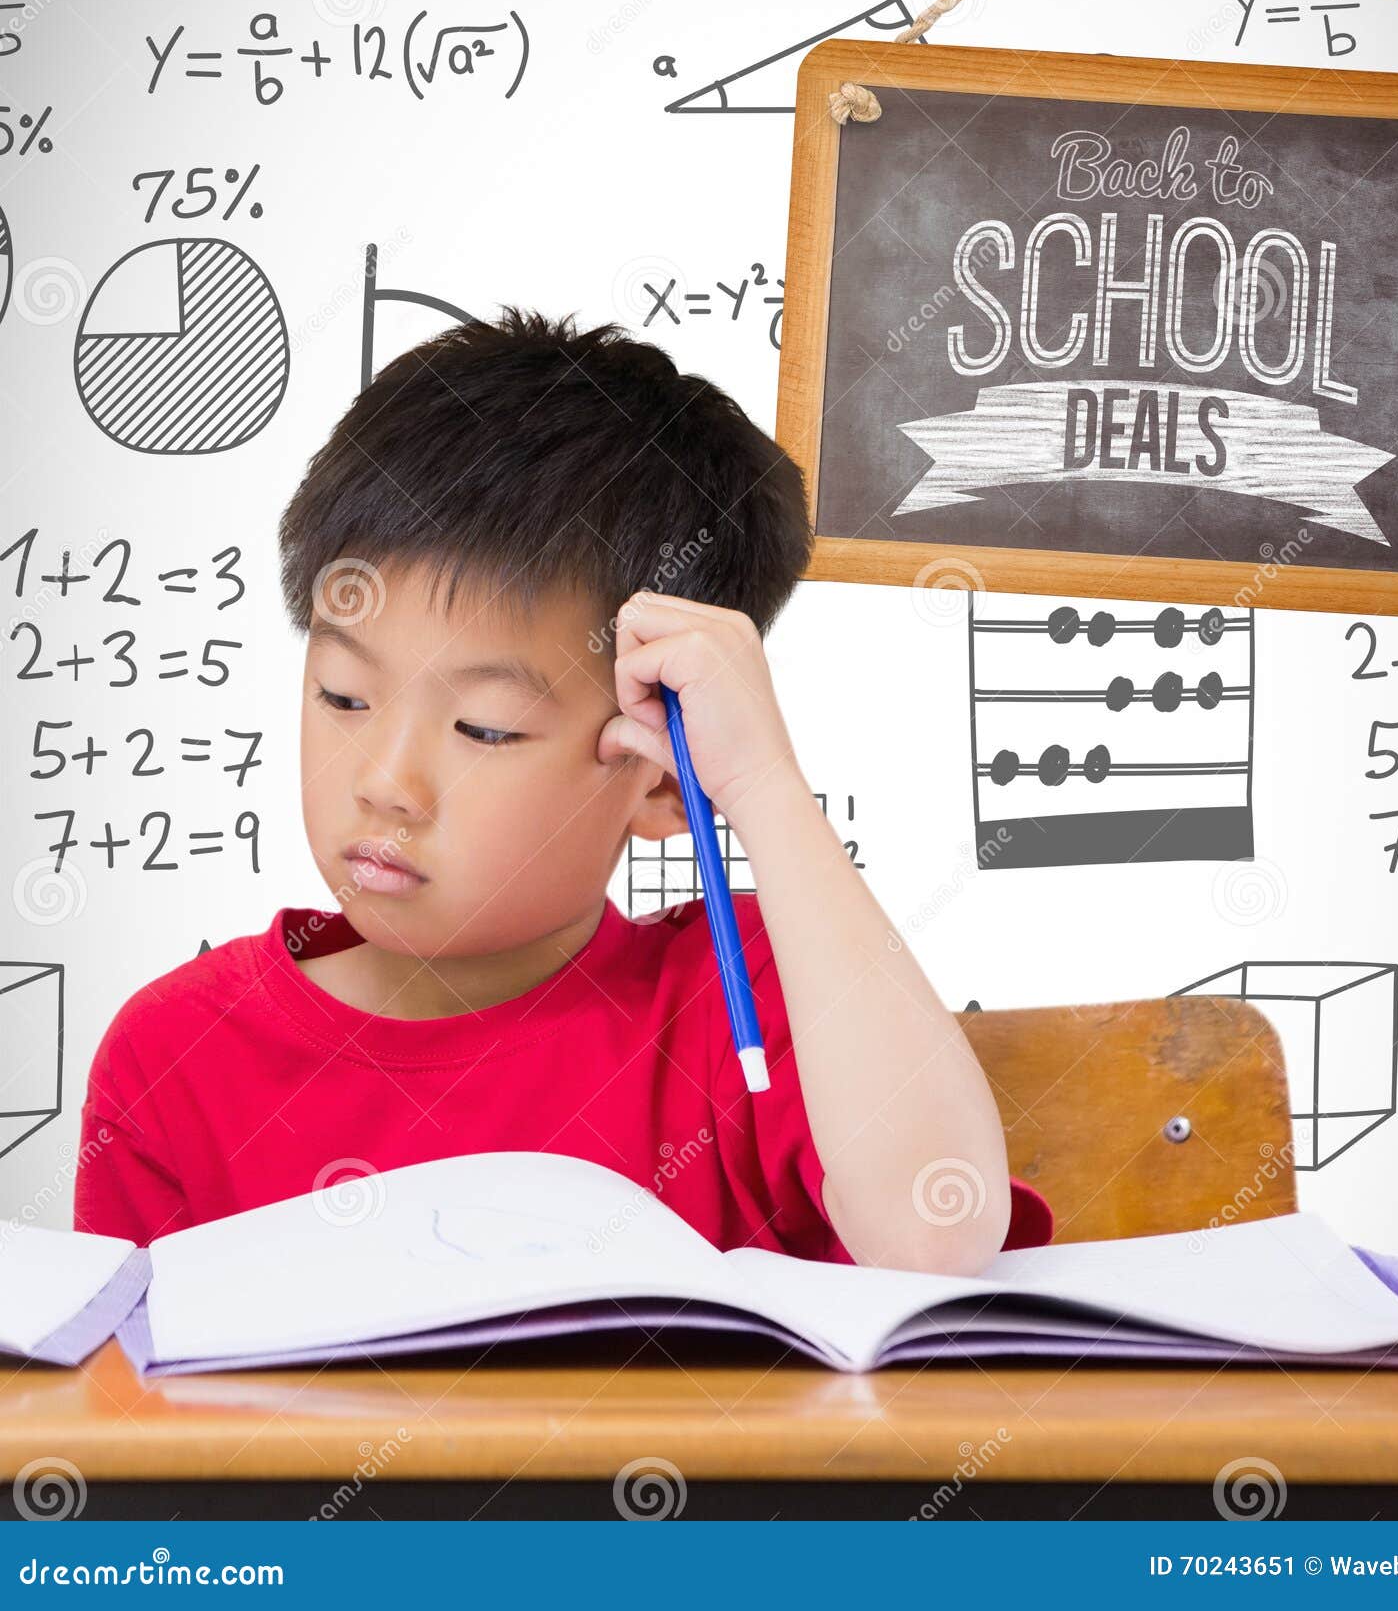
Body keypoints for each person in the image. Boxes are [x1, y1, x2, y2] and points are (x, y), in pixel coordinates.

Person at [73, 308, 1053, 1272]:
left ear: (664, 784)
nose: (384, 783)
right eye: (343, 694)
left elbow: (934, 1235)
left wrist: (760, 785)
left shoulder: (737, 997)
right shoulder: (175, 1057)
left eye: (485, 727)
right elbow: (128, 1414)